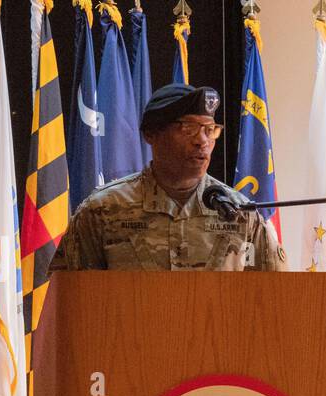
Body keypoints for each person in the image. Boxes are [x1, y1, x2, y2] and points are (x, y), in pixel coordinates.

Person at [50, 83, 287, 272]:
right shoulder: (103, 210)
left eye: (209, 129)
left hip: (216, 333)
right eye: (188, 127)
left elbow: (273, 298)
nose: (202, 141)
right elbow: (71, 303)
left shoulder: (240, 213)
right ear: (151, 134)